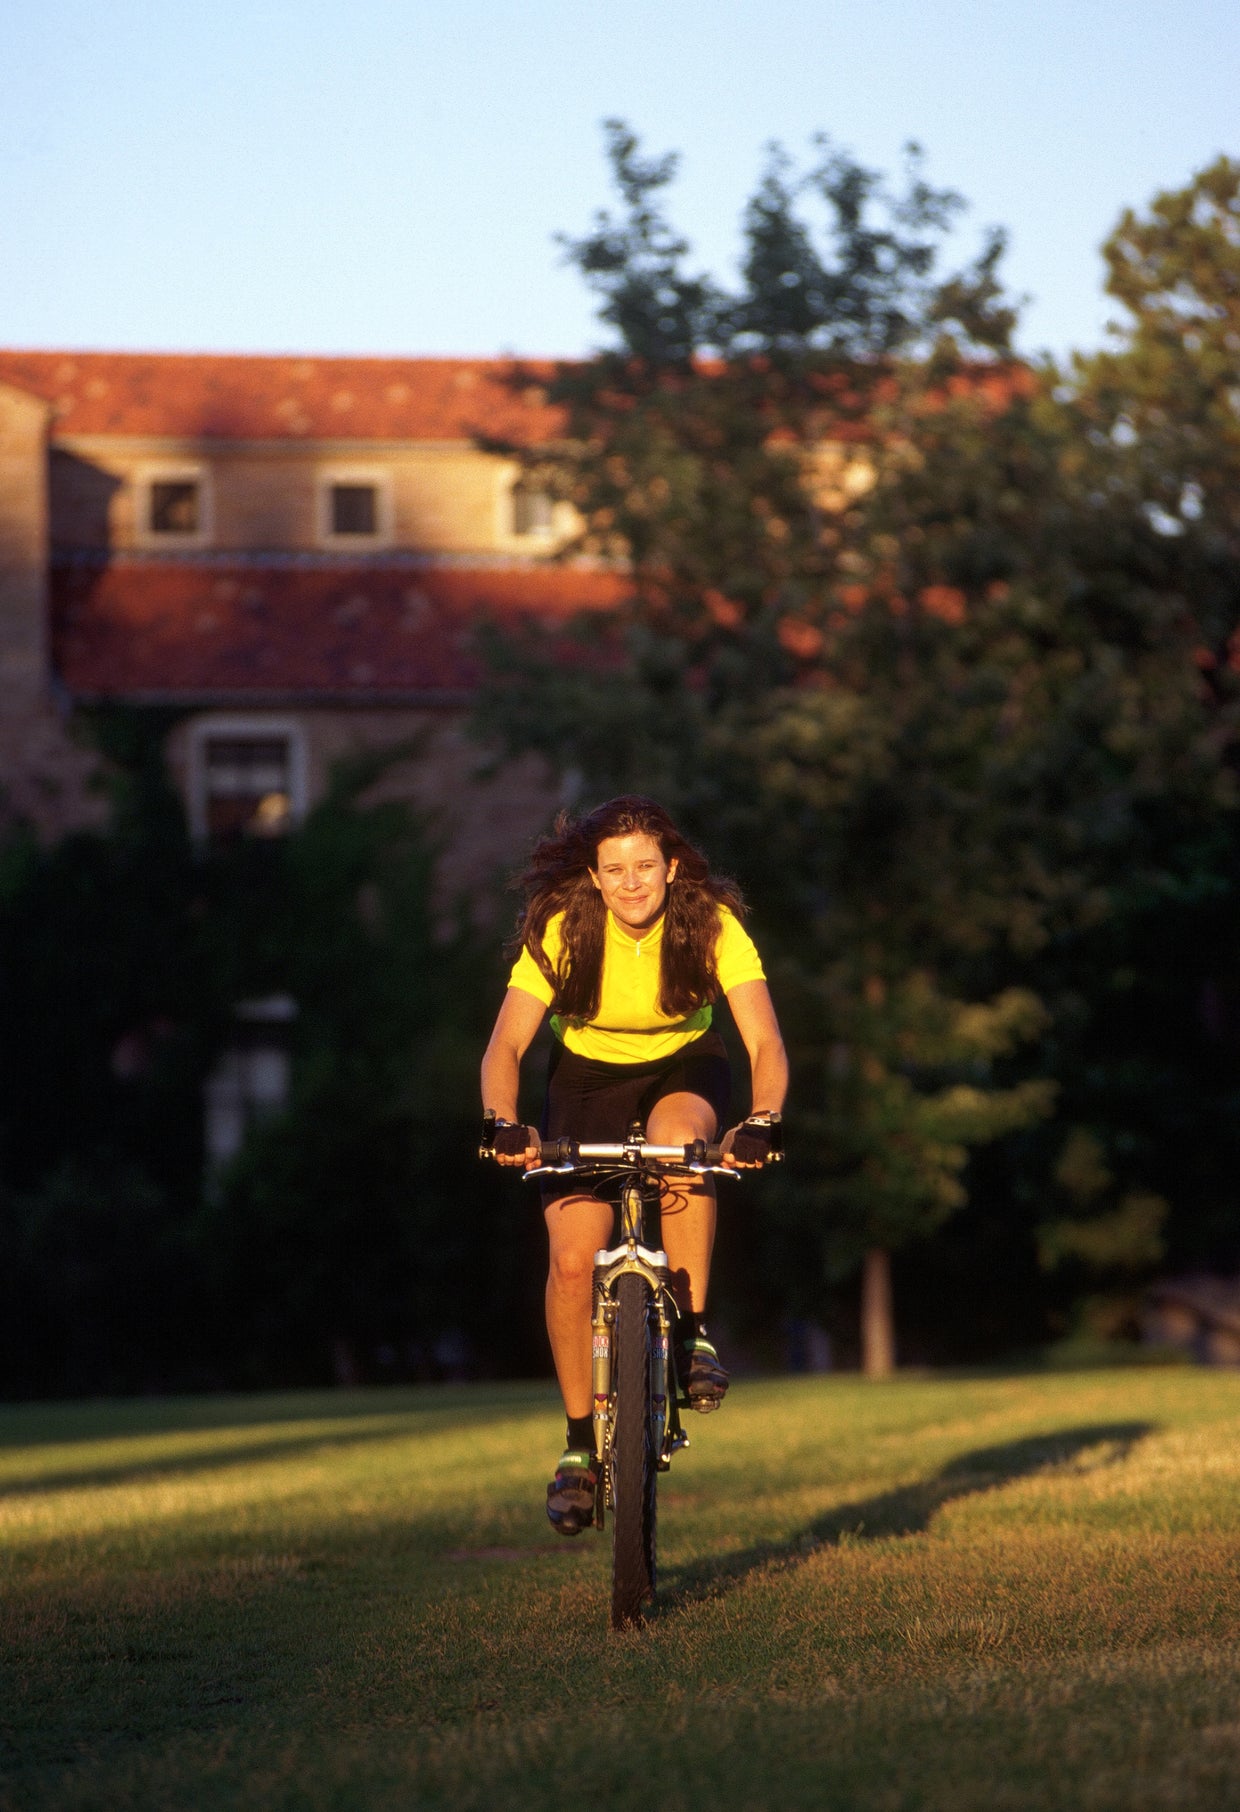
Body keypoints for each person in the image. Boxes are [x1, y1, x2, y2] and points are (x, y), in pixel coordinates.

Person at [480, 795, 788, 1536]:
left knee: (682, 1145)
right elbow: (505, 1049)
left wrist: (764, 1120)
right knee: (570, 1262)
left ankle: (694, 1336)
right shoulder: (563, 931)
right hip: (583, 1079)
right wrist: (503, 1122)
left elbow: (766, 1043)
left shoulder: (711, 926)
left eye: (644, 866)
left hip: (683, 1067)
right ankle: (580, 1449)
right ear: (593, 874)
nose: (630, 883)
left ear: (671, 866)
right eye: (613, 869)